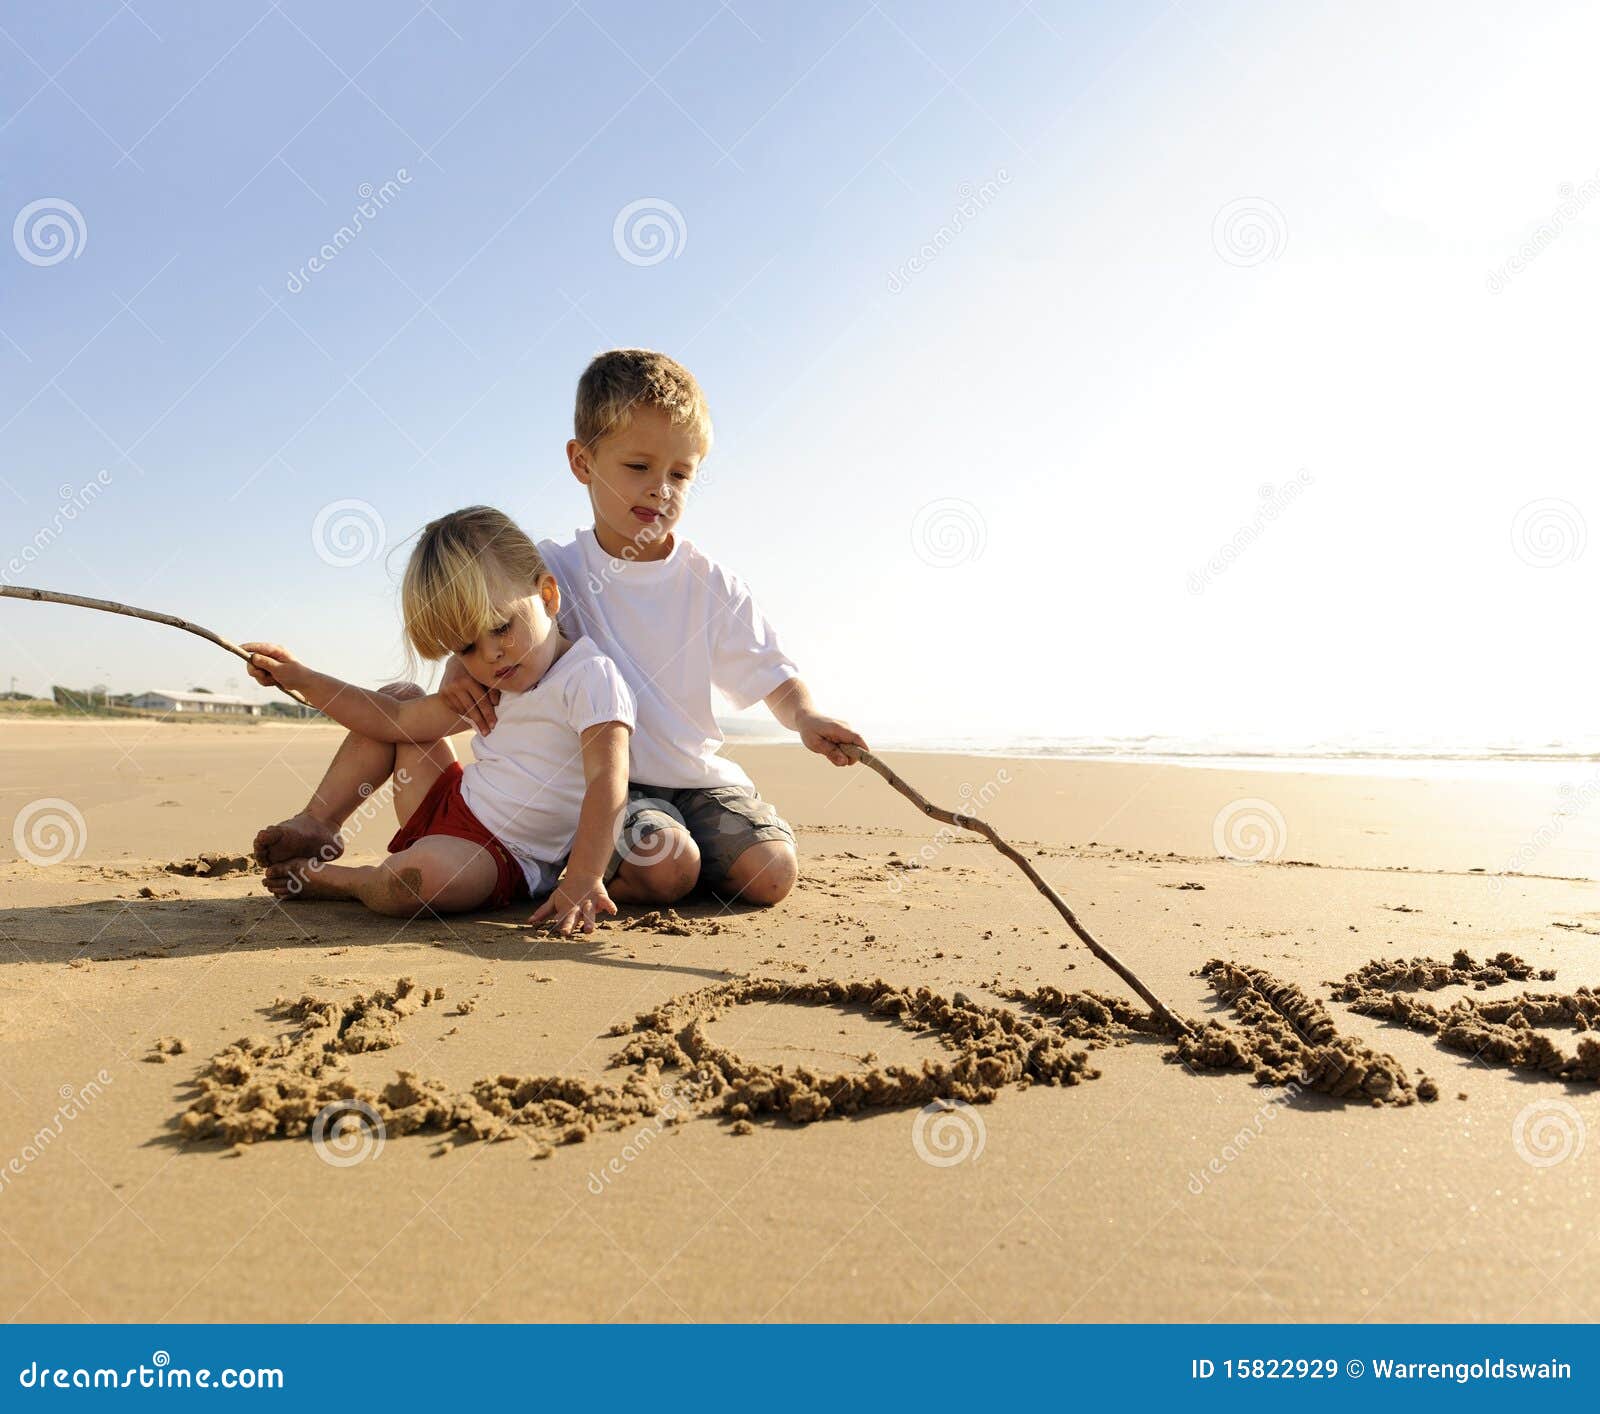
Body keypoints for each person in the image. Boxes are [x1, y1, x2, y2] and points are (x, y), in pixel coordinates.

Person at [441, 349, 864, 909]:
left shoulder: (709, 582)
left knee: (772, 874)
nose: (660, 489)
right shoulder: (550, 573)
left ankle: (695, 858)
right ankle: (607, 861)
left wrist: (806, 716)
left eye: (680, 474)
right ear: (582, 462)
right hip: (607, 786)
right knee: (666, 866)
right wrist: (454, 668)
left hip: (701, 779)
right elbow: (486, 624)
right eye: (639, 468)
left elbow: (772, 673)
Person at [243, 505, 633, 935]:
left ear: (547, 595)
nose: (490, 655)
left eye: (501, 627)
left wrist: (582, 877)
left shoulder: (589, 677)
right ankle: (320, 822)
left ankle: (347, 880)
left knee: (416, 880)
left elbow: (607, 782)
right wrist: (303, 679)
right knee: (399, 697)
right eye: (465, 649)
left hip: (502, 857)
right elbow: (393, 720)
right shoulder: (494, 682)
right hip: (445, 804)